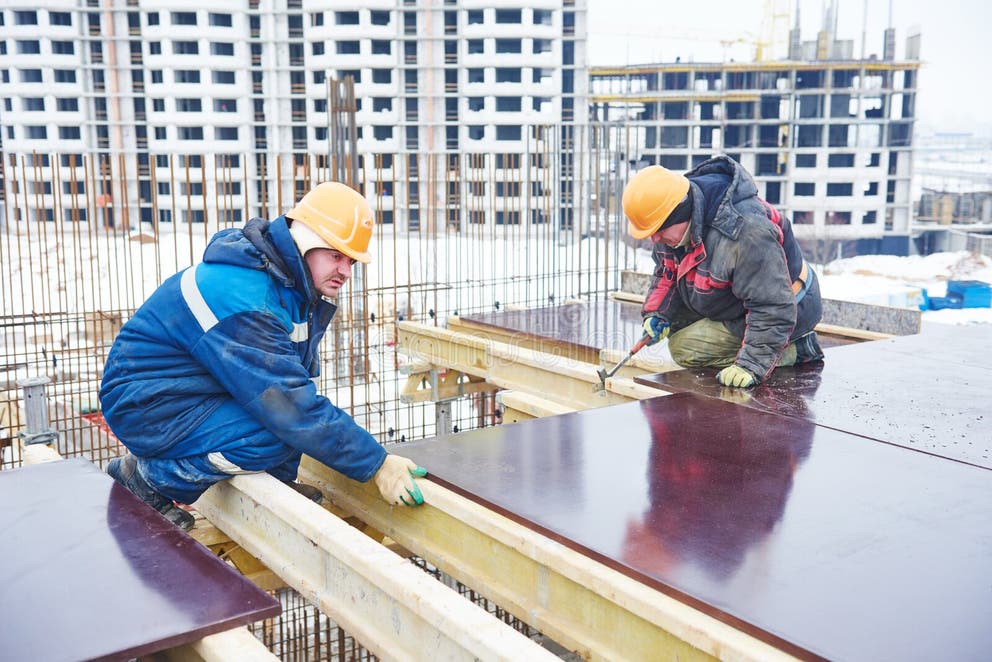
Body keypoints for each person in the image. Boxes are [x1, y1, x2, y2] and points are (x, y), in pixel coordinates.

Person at [100, 182, 426, 530]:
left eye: (351, 261)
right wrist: (376, 463)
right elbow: (287, 407)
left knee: (283, 421)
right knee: (272, 431)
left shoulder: (289, 287)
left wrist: (281, 481)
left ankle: (275, 478)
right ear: (306, 244)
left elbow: (298, 383)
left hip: (190, 392)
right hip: (147, 405)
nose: (346, 271)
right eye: (336, 255)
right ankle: (148, 480)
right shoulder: (249, 299)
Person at [622, 156, 823, 388]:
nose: (653, 238)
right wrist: (658, 313)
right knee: (675, 325)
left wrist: (751, 364)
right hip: (736, 296)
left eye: (658, 230)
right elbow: (667, 270)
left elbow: (772, 306)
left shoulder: (745, 233)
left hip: (792, 304)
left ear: (680, 213)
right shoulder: (673, 219)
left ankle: (795, 349)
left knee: (684, 348)